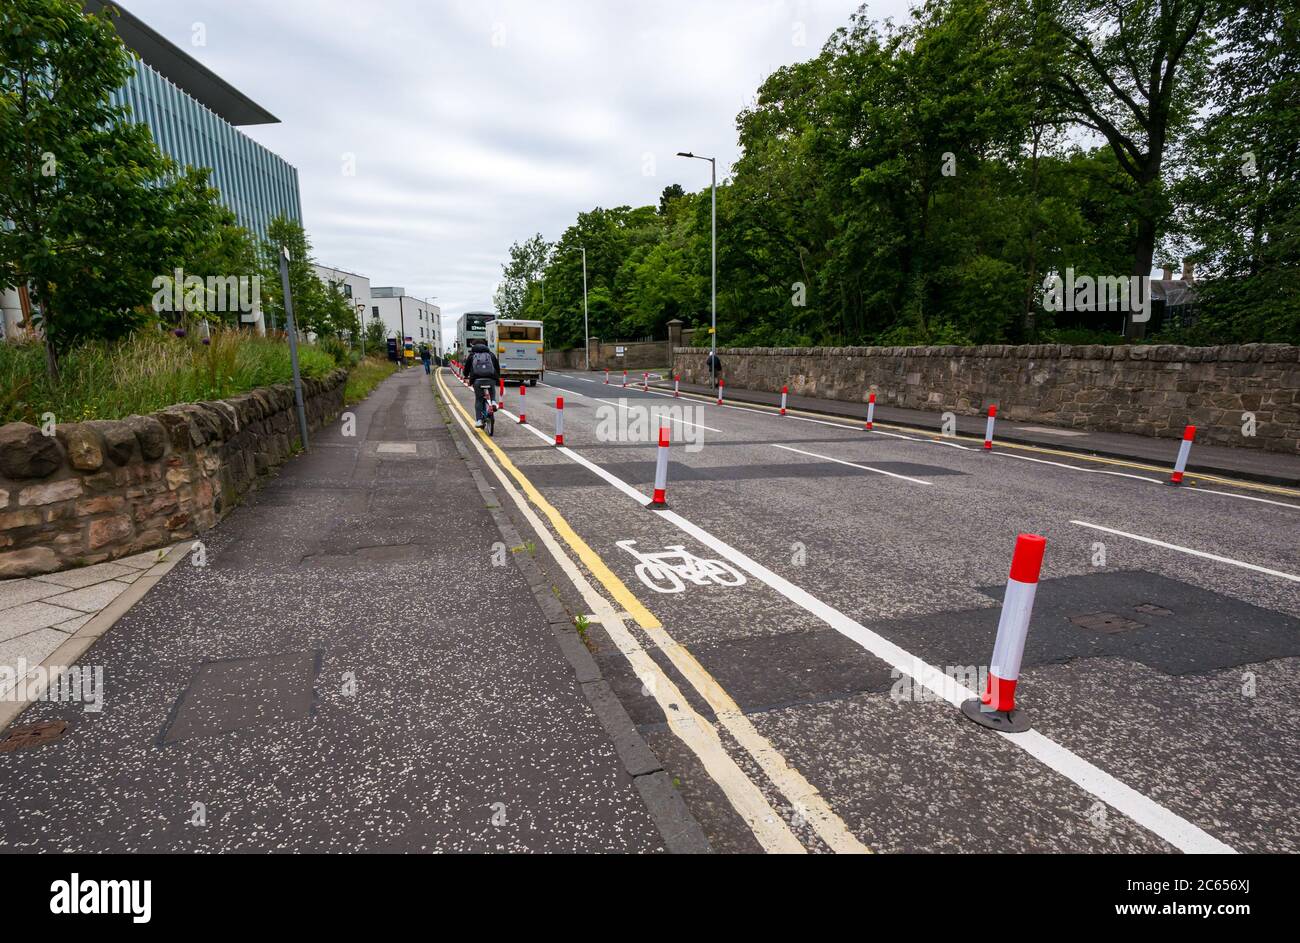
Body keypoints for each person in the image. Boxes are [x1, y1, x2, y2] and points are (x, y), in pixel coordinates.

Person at [466, 338, 500, 428]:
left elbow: (466, 369)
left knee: (479, 399)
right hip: (490, 378)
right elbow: (497, 367)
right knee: (492, 388)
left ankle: (479, 420)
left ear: (473, 346)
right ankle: (493, 402)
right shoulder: (490, 354)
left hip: (477, 380)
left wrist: (466, 376)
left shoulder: (472, 355)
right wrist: (497, 377)